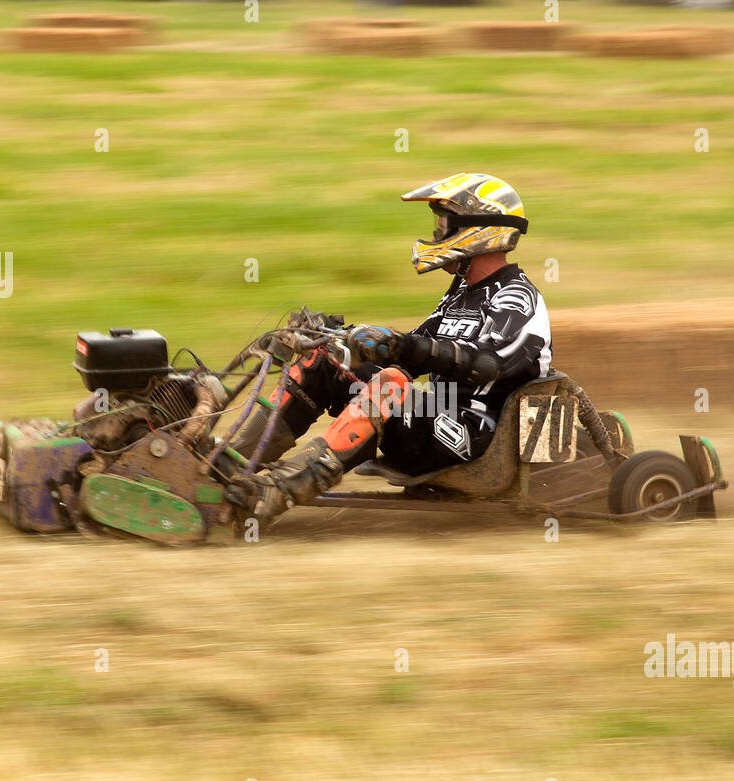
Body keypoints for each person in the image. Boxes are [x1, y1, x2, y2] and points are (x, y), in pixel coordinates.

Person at [226, 172, 552, 521]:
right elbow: (410, 353)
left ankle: (276, 493)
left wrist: (402, 346)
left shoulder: (516, 297)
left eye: (444, 225)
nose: (436, 235)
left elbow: (488, 365)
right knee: (324, 362)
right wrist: (341, 340)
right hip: (434, 418)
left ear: (479, 231)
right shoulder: (461, 294)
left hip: (478, 438)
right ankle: (231, 465)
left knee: (389, 386)